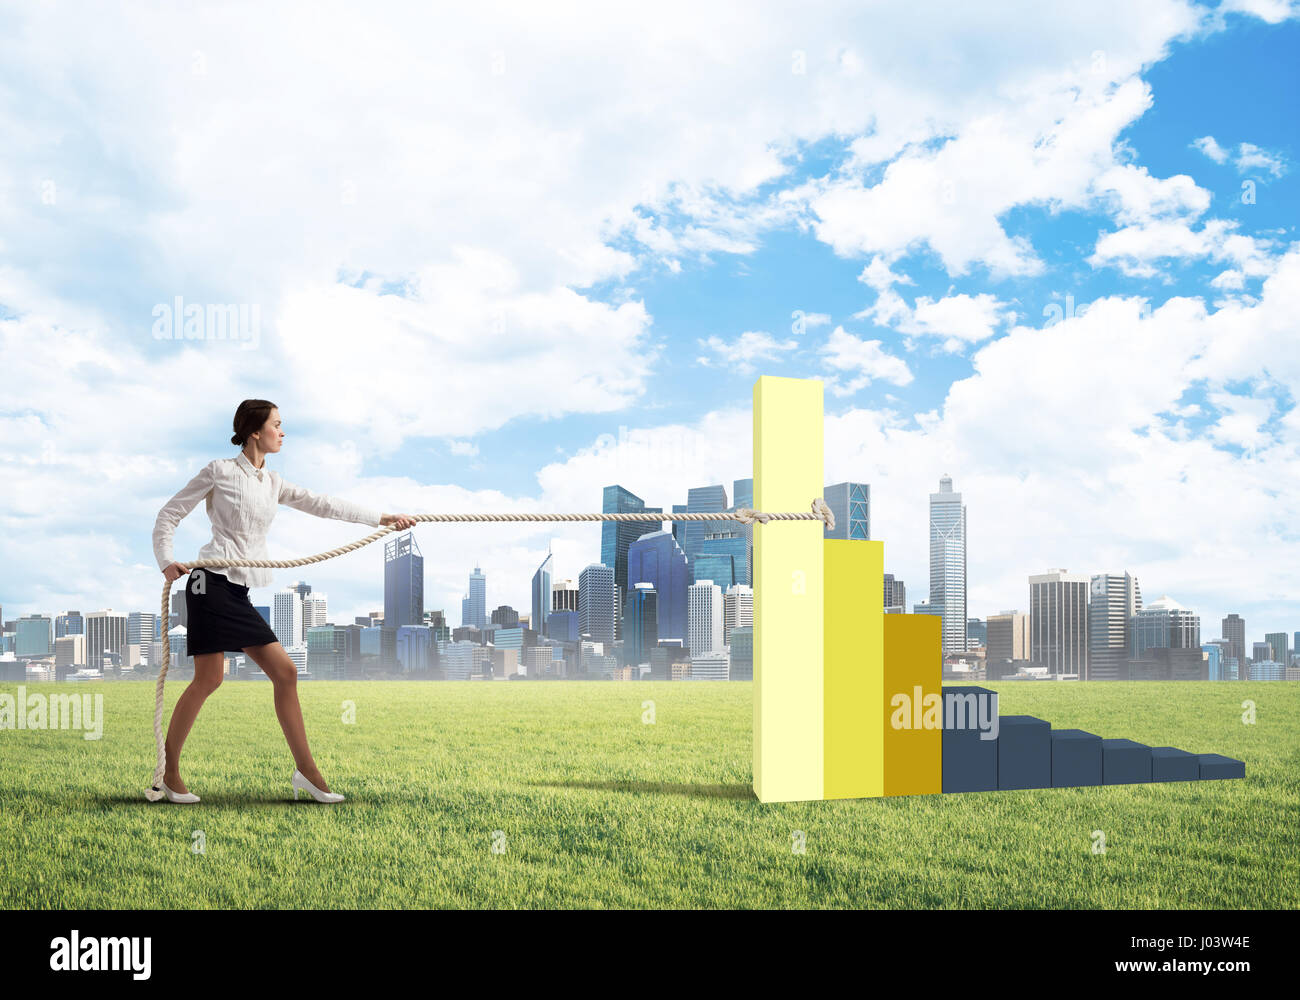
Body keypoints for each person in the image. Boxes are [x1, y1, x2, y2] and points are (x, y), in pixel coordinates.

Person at [152, 398, 416, 804]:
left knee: (285, 673)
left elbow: (324, 504)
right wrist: (167, 561)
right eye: (277, 424)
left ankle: (306, 773)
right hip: (208, 584)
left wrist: (382, 518)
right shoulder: (219, 471)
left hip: (238, 590)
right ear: (255, 431)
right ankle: (169, 774)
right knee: (210, 679)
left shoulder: (273, 483)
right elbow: (169, 514)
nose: (283, 431)